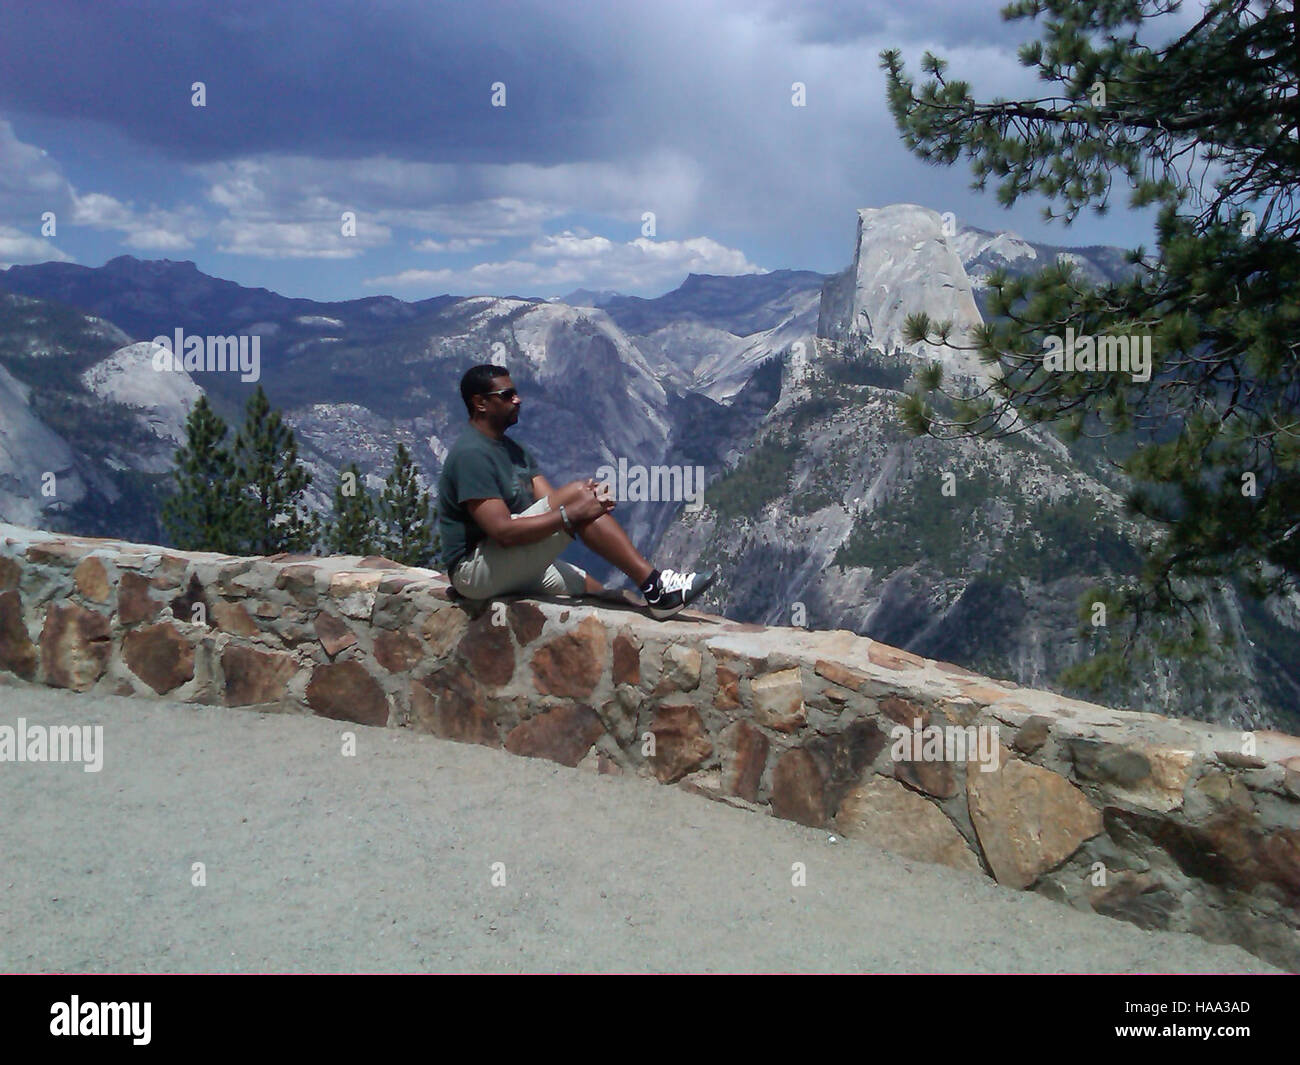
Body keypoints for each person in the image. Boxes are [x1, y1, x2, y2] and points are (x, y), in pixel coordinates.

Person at [437, 364, 716, 620]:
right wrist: (574, 511)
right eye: (507, 395)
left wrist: (588, 500)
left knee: (600, 592)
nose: (517, 400)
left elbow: (549, 501)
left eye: (516, 393)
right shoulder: (471, 454)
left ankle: (651, 593)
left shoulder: (512, 450)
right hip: (475, 571)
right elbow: (502, 531)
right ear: (480, 403)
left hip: (507, 560)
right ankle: (656, 588)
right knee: (578, 497)